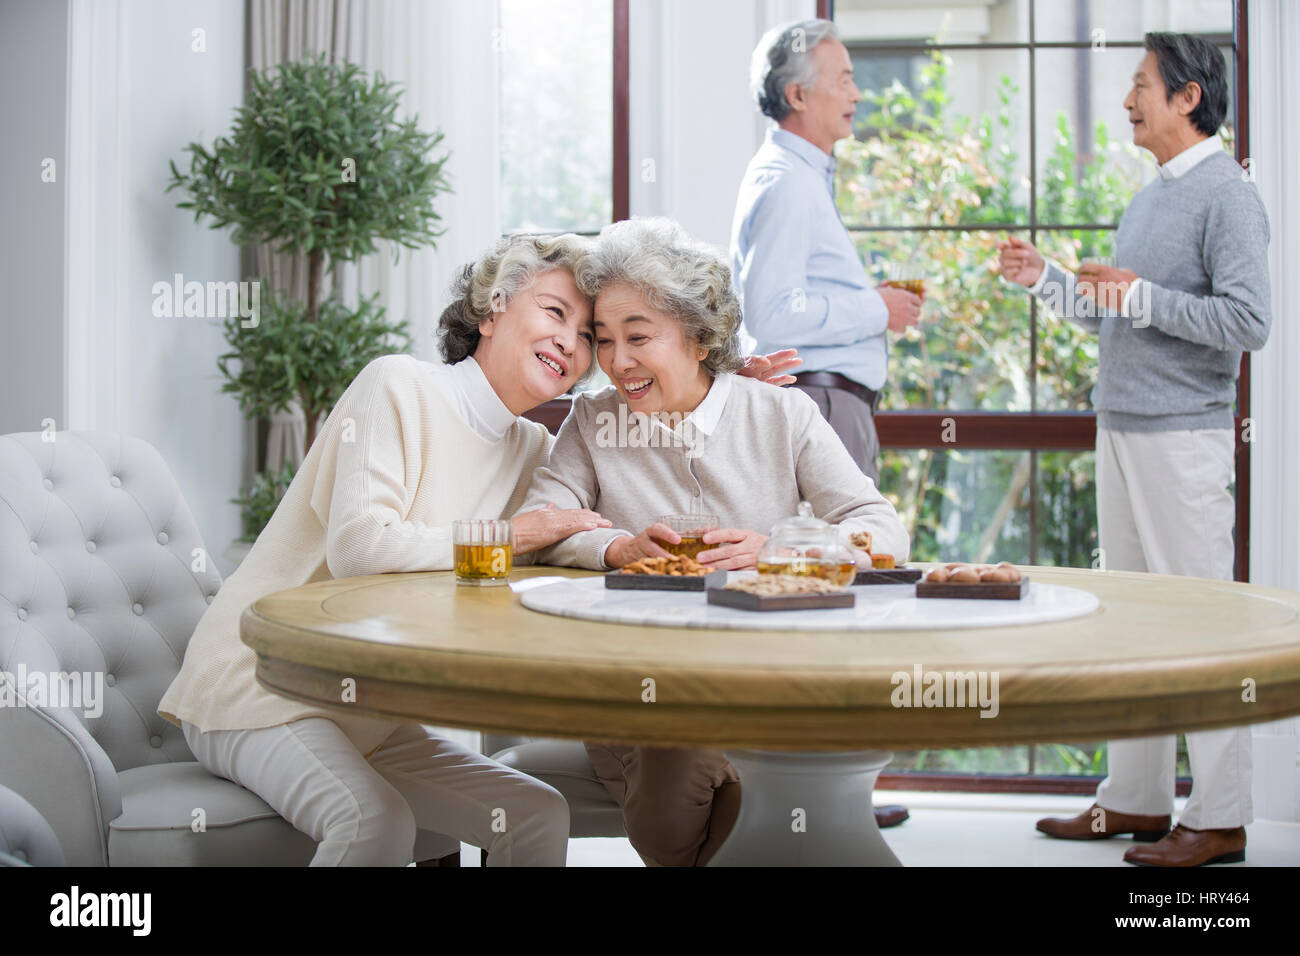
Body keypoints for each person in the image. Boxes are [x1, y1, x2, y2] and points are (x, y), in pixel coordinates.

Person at [157, 233, 799, 867]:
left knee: (535, 818)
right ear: (493, 308)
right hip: (260, 685)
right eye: (554, 313)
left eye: (586, 337)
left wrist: (708, 388)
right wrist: (515, 536)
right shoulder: (397, 387)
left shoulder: (535, 453)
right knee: (371, 823)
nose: (568, 343)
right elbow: (359, 546)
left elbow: (613, 517)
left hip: (370, 716)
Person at [520, 217, 911, 866]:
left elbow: (880, 526)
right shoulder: (593, 421)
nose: (616, 362)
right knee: (691, 757)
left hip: (767, 682)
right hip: (639, 688)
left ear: (700, 339)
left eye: (638, 337)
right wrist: (616, 547)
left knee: (753, 788)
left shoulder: (780, 414)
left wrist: (780, 552)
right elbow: (543, 524)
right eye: (603, 340)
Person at [999, 32, 1271, 867]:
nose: (1127, 99)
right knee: (1135, 627)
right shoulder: (1152, 194)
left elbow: (1248, 322)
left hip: (1182, 441)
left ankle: (1219, 815)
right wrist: (1047, 277)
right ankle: (1136, 801)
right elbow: (1117, 313)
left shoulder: (1227, 193)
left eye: (1142, 83)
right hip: (1120, 428)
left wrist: (1141, 295)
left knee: (1202, 629)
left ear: (1189, 97)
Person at [731, 17, 923, 486]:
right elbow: (772, 315)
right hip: (824, 406)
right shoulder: (788, 182)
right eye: (844, 80)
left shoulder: (799, 175)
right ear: (797, 96)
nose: (857, 94)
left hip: (828, 404)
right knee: (835, 557)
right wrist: (877, 307)